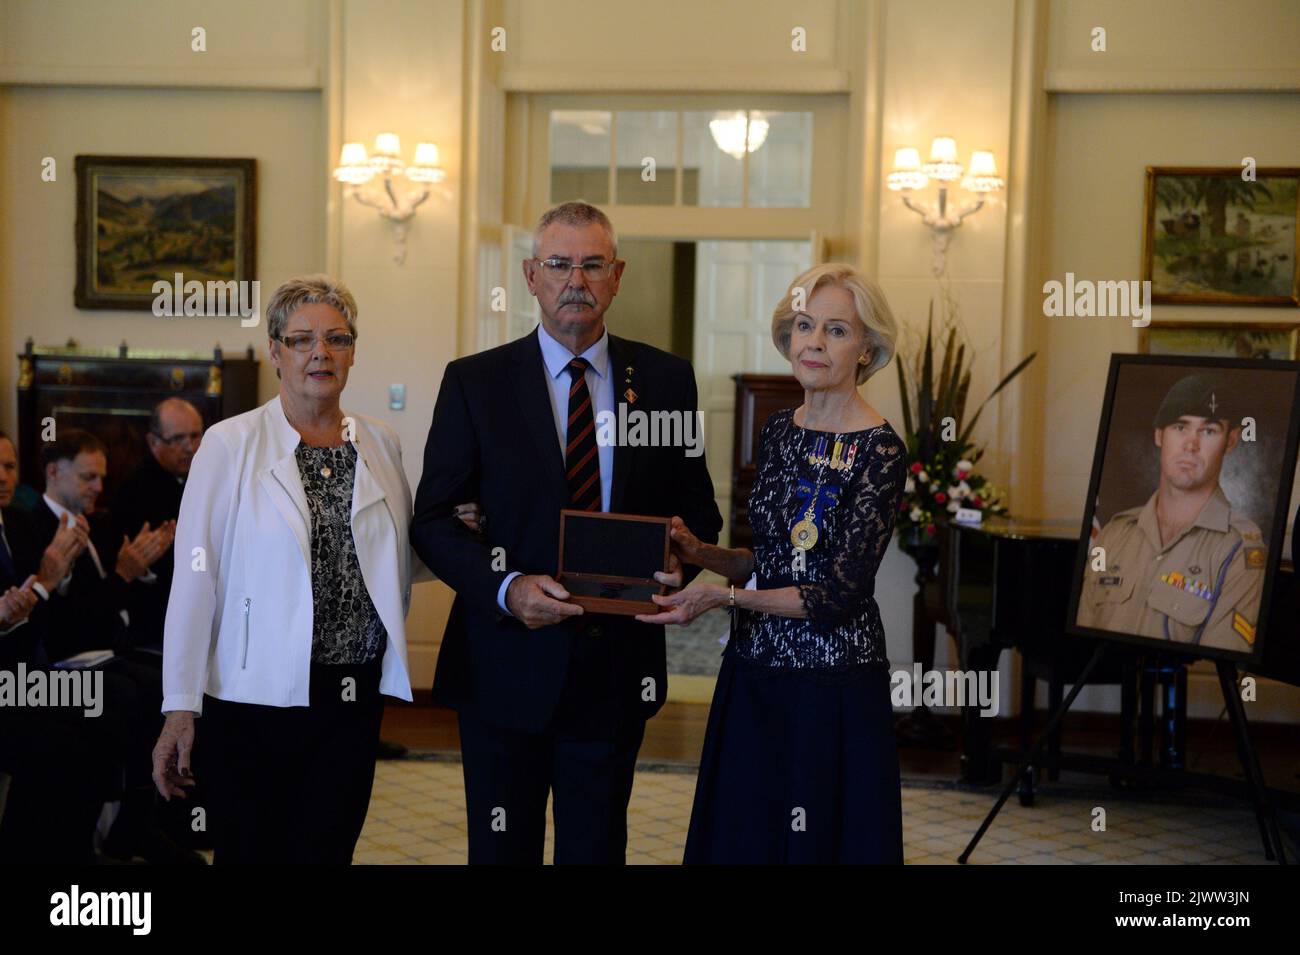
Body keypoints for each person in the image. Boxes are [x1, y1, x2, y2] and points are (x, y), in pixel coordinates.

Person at [412, 201, 722, 865]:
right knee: (501, 851)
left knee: (596, 849)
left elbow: (701, 516)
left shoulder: (667, 381)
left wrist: (676, 572)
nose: (574, 279)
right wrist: (507, 587)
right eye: (559, 264)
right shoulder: (475, 382)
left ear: (617, 276)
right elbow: (434, 521)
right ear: (530, 275)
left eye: (592, 264)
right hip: (503, 664)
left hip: (614, 671)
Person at [151, 275, 427, 864]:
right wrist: (180, 705)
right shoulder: (229, 444)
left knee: (327, 851)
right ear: (276, 351)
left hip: (350, 693)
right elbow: (194, 580)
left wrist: (470, 528)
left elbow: (399, 555)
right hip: (253, 697)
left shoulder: (380, 442)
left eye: (336, 338)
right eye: (301, 339)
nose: (320, 353)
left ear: (353, 351)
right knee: (251, 853)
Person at [638, 263, 907, 864]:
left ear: (867, 348)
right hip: (754, 669)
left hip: (829, 684)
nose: (813, 342)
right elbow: (774, 559)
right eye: (804, 325)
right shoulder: (780, 429)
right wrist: (702, 554)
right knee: (746, 833)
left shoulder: (882, 450)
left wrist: (719, 599)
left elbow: (836, 595)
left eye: (837, 330)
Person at [1077, 373, 1266, 653]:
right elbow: (1084, 643)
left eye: (1209, 430)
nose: (1191, 445)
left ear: (1231, 441)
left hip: (1183, 695)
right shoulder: (1113, 536)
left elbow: (1218, 667)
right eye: (1180, 427)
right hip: (1116, 689)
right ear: (1158, 435)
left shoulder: (1239, 550)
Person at [113, 398, 204, 651]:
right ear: (153, 442)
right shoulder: (137, 490)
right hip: (156, 614)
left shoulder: (202, 474)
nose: (189, 447)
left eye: (196, 436)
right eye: (177, 439)